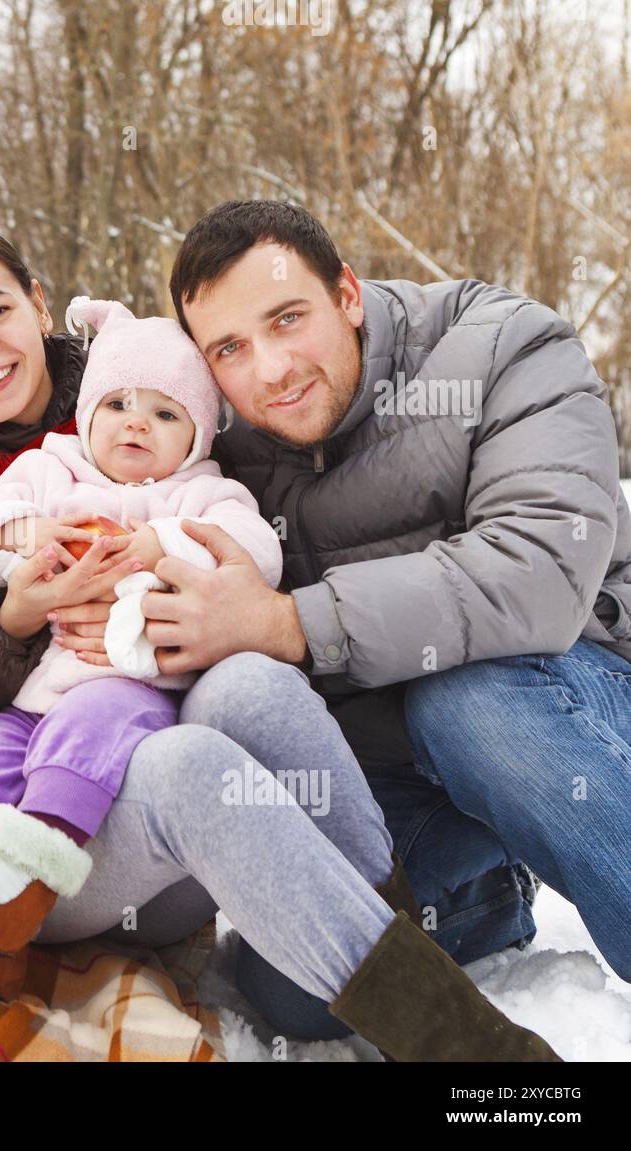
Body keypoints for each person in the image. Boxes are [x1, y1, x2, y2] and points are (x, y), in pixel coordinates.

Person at [0, 218, 559, 1059]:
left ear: (39, 307)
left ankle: (389, 927)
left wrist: (195, 581)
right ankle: (473, 1053)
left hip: (147, 799)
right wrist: (12, 615)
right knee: (188, 764)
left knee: (248, 684)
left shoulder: (173, 410)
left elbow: (254, 548)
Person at [56, 198, 630, 1031]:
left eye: (289, 319)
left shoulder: (507, 344)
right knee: (297, 982)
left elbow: (538, 574)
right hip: (392, 758)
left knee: (467, 707)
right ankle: (484, 887)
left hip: (574, 688)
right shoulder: (225, 443)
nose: (272, 369)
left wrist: (285, 621)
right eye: (230, 349)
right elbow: (87, 428)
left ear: (348, 294)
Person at [0, 297, 284, 999]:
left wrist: (163, 544)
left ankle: (27, 871)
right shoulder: (52, 473)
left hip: (129, 691)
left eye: (166, 413)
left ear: (199, 435)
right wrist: (19, 533)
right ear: (86, 415)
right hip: (29, 704)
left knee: (85, 731)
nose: (137, 422)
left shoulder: (199, 494)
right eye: (117, 404)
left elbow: (259, 557)